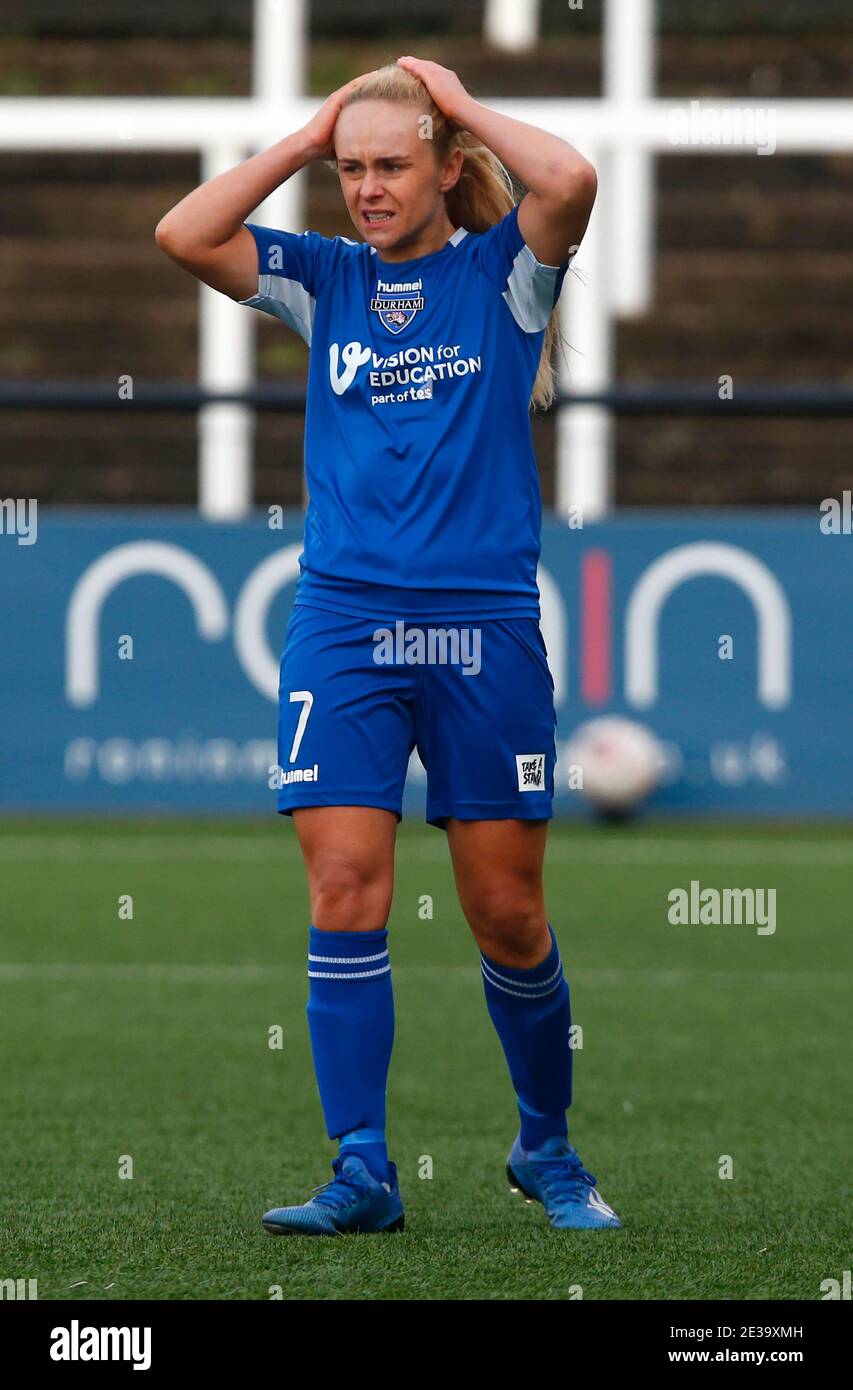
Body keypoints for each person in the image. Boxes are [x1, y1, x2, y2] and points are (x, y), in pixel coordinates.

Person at [155, 56, 620, 1235]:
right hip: (345, 626)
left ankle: (547, 1147)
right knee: (344, 885)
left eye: (388, 165)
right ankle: (362, 1169)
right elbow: (183, 231)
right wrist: (307, 136)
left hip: (485, 632)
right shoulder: (322, 278)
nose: (364, 187)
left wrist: (456, 103)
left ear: (444, 168)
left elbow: (569, 176)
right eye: (349, 169)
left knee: (506, 913)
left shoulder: (503, 272)